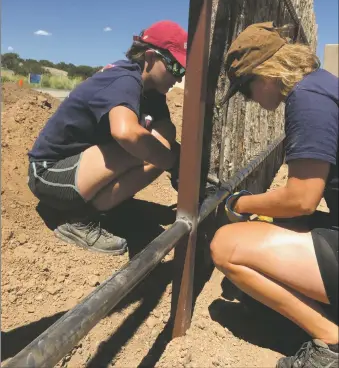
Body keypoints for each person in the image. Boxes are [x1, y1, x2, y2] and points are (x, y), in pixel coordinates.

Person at [210, 22, 338, 368]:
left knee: (226, 245)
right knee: (282, 223)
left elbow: (302, 198)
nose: (249, 99)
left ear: (264, 75)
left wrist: (239, 203)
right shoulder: (325, 86)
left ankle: (330, 342)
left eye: (246, 89)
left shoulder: (308, 100)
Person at [28, 20, 187, 255]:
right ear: (151, 58)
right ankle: (76, 220)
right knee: (142, 147)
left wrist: (176, 159)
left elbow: (166, 133)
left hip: (79, 170)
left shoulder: (151, 89)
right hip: (49, 175)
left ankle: (96, 209)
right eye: (176, 67)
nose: (179, 77)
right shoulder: (124, 79)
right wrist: (174, 164)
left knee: (157, 149)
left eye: (184, 71)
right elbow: (125, 133)